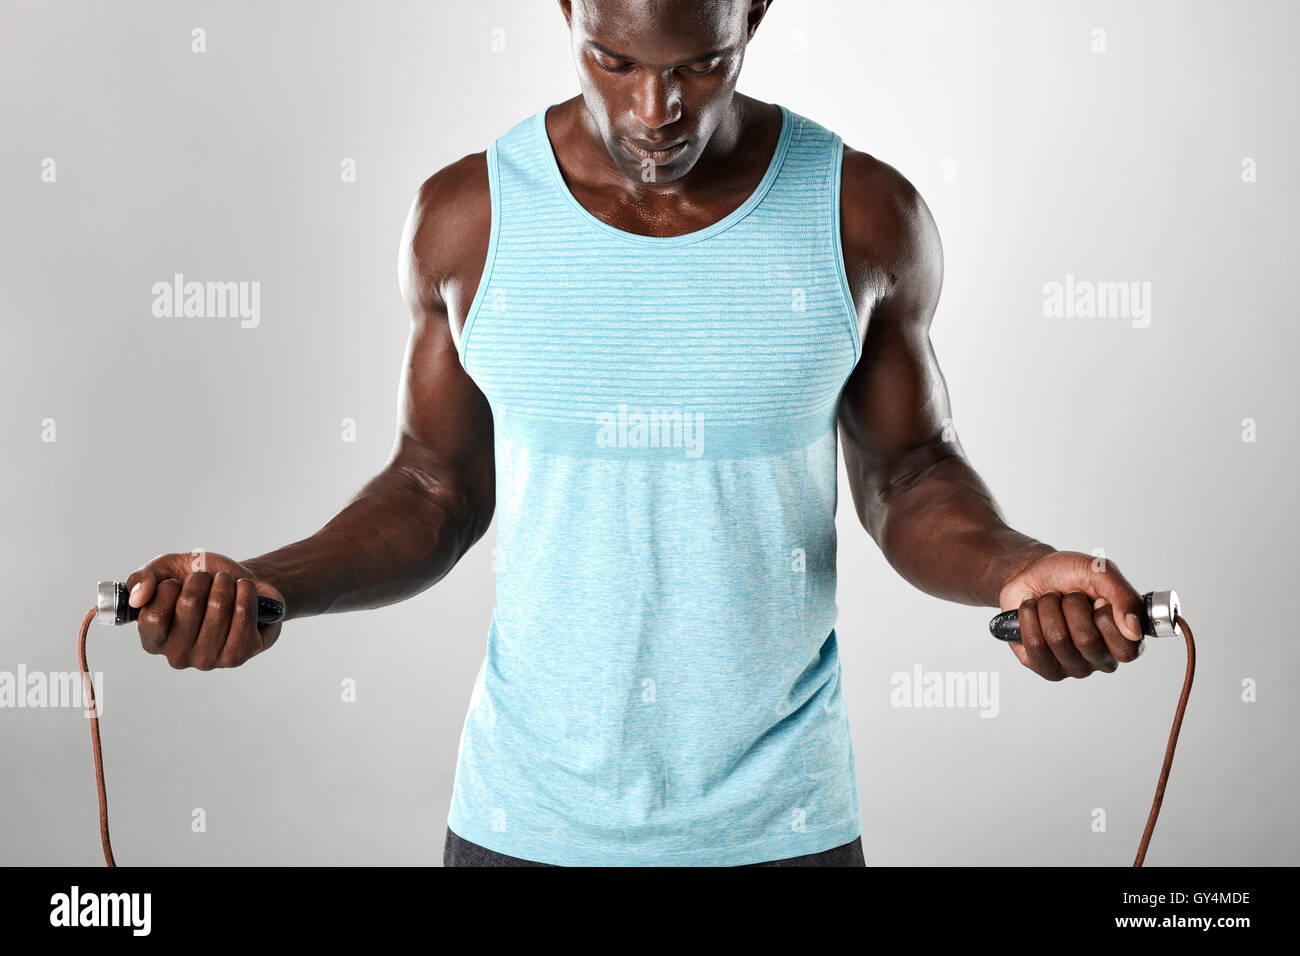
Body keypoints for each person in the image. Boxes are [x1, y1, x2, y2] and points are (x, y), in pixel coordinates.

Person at [122, 0, 1147, 867]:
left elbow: (909, 474)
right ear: (566, 11)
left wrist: (1022, 568)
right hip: (521, 821)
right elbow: (434, 489)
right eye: (614, 63)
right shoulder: (466, 219)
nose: (655, 111)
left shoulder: (861, 214)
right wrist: (261, 585)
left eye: (700, 65)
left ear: (754, 13)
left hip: (782, 827)